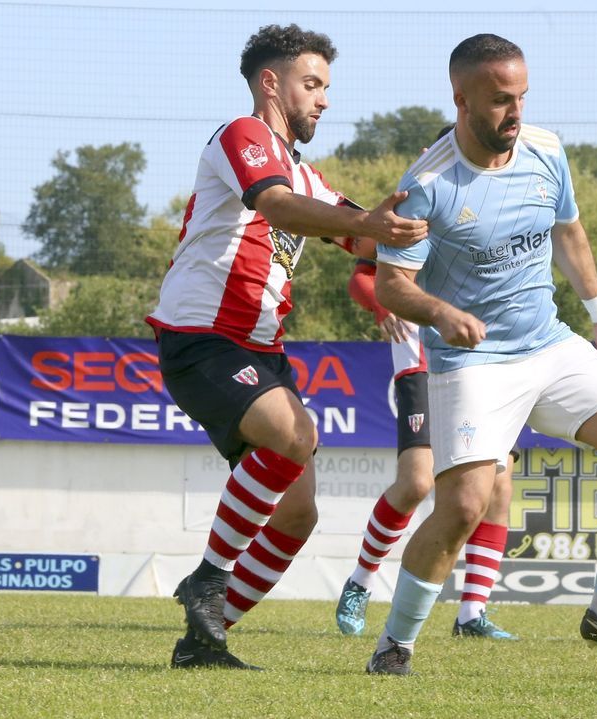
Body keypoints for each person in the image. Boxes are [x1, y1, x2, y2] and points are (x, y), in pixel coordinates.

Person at [365, 33, 597, 676]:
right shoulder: (428, 183)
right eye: (500, 100)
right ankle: (395, 644)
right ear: (460, 98)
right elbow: (389, 282)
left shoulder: (545, 149)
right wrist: (441, 312)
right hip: (474, 364)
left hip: (550, 343)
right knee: (462, 506)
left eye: (522, 97)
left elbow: (568, 231)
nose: (515, 112)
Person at [145, 23, 427, 670]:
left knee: (297, 515)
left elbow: (362, 238)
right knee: (294, 433)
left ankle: (203, 639)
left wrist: (433, 229)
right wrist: (365, 224)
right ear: (270, 83)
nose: (324, 99)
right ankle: (209, 580)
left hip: (259, 349)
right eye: (313, 84)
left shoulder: (306, 174)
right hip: (203, 337)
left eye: (326, 86)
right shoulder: (241, 136)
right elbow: (277, 206)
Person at [327, 147, 520, 640]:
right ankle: (360, 583)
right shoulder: (415, 210)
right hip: (419, 364)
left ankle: (472, 613)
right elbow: (361, 276)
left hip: (481, 368)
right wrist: (381, 305)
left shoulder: (497, 217)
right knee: (416, 483)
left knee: (499, 481)